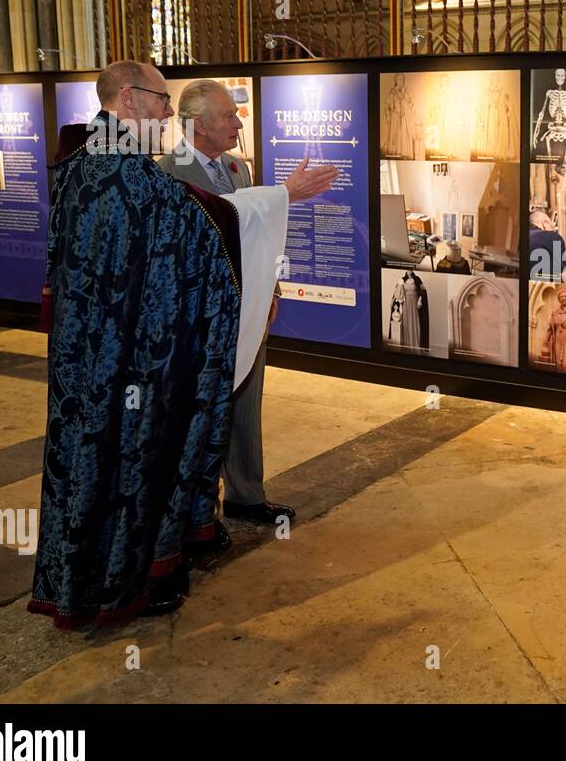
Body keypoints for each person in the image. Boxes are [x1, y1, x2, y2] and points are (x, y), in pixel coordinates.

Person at [29, 60, 337, 628]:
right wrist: (283, 196)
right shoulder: (128, 174)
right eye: (161, 101)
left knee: (90, 458)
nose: (169, 112)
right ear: (128, 98)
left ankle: (90, 572)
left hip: (93, 347)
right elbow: (204, 222)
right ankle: (126, 582)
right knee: (133, 457)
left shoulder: (82, 162)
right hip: (131, 353)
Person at [156, 79, 294, 527]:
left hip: (248, 310)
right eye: (227, 117)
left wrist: (270, 290)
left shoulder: (239, 170)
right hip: (202, 317)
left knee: (246, 400)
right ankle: (197, 512)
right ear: (197, 124)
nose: (238, 123)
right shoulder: (168, 173)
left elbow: (260, 236)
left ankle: (247, 496)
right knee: (202, 409)